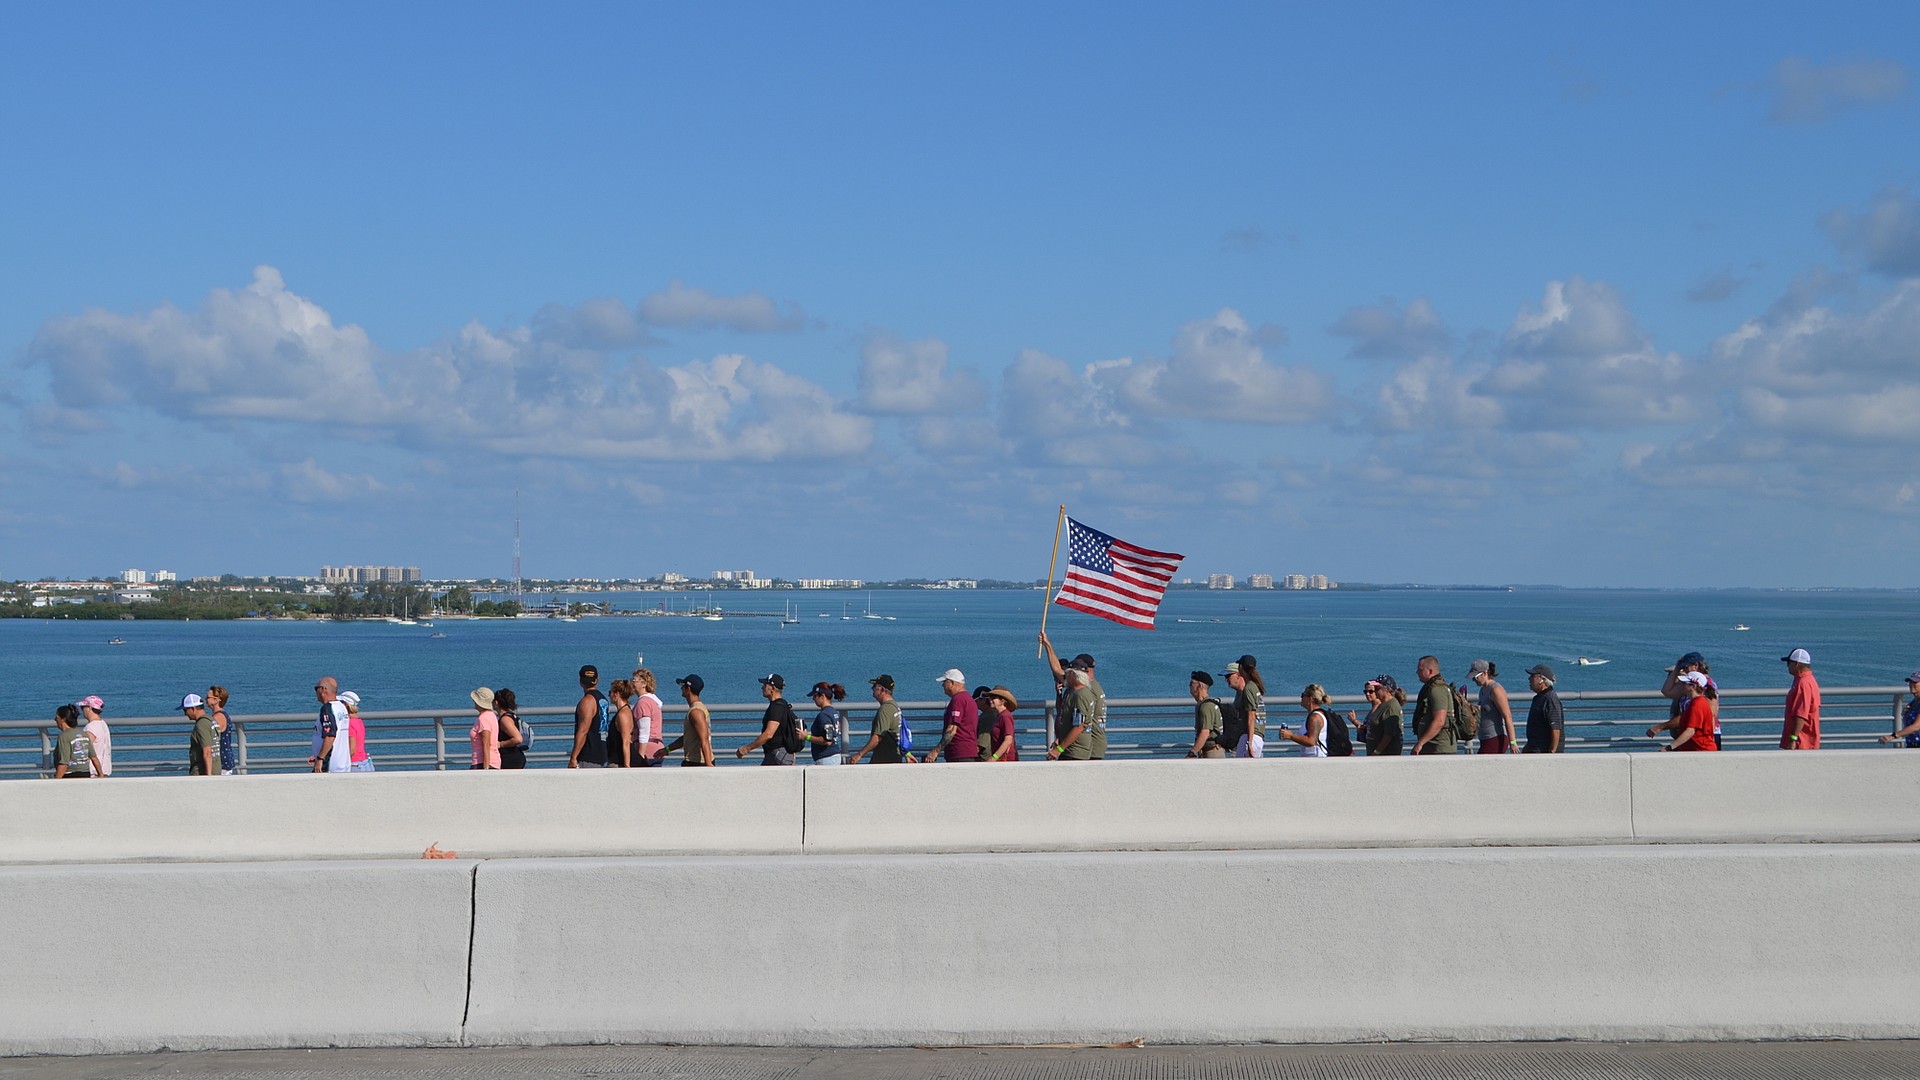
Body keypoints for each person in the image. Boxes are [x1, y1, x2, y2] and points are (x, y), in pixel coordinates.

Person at [738, 674, 800, 765]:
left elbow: (768, 734)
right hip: (777, 754)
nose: (762, 688)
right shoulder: (782, 705)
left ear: (773, 688)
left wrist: (747, 749)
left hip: (779, 755)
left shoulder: (776, 707)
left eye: (765, 685)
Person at [1048, 665, 1104, 761]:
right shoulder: (1073, 691)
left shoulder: (1081, 695)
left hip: (1075, 751)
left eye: (1068, 673)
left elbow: (1079, 726)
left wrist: (1059, 749)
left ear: (1074, 675)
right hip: (1070, 749)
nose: (1065, 676)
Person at [655, 675, 714, 766]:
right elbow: (687, 738)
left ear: (688, 689)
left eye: (683, 686)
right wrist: (666, 749)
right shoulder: (698, 709)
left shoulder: (696, 712)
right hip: (695, 761)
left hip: (697, 762)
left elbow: (704, 739)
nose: (681, 688)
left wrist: (708, 765)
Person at [925, 668, 980, 764]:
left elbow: (952, 729)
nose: (942, 685)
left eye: (944, 682)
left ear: (952, 683)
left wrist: (936, 751)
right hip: (969, 751)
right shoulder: (968, 699)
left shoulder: (958, 699)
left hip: (959, 753)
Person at [849, 675, 905, 764]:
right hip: (894, 756)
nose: (872, 688)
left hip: (884, 758)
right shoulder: (894, 706)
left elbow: (877, 737)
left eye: (874, 686)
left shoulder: (885, 709)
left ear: (882, 690)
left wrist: (859, 755)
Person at [1409, 655, 1455, 756]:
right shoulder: (1431, 688)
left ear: (1430, 671)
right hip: (1432, 747)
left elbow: (1439, 720)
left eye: (1420, 670)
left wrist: (1420, 743)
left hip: (1438, 748)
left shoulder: (1437, 689)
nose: (1417, 673)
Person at [1661, 672, 1719, 751]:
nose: (1681, 685)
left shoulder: (1697, 704)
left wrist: (1669, 747)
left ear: (1693, 686)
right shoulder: (1697, 702)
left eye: (1684, 683)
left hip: (1700, 749)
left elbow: (1690, 731)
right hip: (1697, 748)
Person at [1468, 660, 1516, 754]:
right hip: (1485, 738)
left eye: (1475, 677)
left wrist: (1513, 742)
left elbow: (1507, 716)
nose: (1474, 680)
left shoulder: (1496, 689)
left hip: (1495, 738)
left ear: (1485, 673)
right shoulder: (1483, 690)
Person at [1224, 656, 1266, 758]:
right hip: (1256, 736)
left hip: (1250, 735)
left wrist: (1249, 743)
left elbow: (1251, 717)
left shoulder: (1248, 688)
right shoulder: (1254, 686)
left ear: (1241, 668)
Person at [1780, 648, 1821, 750]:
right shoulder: (1807, 680)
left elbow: (1801, 714)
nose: (1787, 666)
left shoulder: (1803, 683)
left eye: (1789, 663)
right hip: (1804, 741)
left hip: (1802, 742)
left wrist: (1793, 739)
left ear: (1797, 664)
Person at [570, 664, 610, 769]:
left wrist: (573, 757)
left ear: (580, 681)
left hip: (589, 755)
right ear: (597, 679)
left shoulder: (587, 701)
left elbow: (583, 731)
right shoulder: (603, 699)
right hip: (602, 752)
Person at [309, 676, 352, 773]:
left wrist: (320, 759)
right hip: (343, 763)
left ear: (323, 689)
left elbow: (329, 736)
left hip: (330, 765)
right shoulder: (342, 707)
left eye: (316, 688)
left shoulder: (327, 709)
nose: (316, 692)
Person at [1355, 675, 1404, 756]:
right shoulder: (1383, 704)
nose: (1375, 691)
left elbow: (1388, 734)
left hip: (1385, 754)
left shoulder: (1391, 706)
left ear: (1387, 690)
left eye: (1377, 689)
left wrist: (1376, 752)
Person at [1276, 685, 1331, 757]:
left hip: (1316, 758)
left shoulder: (1315, 717)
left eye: (1303, 695)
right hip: (1312, 757)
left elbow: (1311, 741)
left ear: (1310, 699)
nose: (1301, 698)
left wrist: (1291, 736)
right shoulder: (1314, 715)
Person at [1522, 664, 1564, 753]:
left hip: (1543, 751)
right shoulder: (1539, 698)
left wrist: (1551, 752)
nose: (1529, 679)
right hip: (1535, 749)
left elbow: (1555, 728)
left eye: (1532, 676)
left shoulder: (1550, 699)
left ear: (1542, 679)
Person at [804, 682, 847, 765]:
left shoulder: (824, 715)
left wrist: (806, 737)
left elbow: (828, 740)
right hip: (833, 756)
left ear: (822, 696)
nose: (813, 699)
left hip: (826, 758)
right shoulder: (833, 712)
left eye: (815, 696)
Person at [1186, 671, 1226, 758]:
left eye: (1191, 683)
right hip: (1207, 751)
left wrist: (1192, 753)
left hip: (1212, 753)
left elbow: (1205, 732)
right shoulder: (1202, 705)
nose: (1189, 686)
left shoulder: (1206, 706)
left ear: (1199, 686)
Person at [53, 704, 98, 779]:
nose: (55, 720)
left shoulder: (64, 736)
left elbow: (64, 763)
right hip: (85, 774)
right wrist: (101, 774)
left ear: (63, 719)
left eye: (57, 717)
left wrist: (55, 781)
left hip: (70, 775)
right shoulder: (83, 734)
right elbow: (94, 757)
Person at [632, 668, 665, 766]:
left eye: (634, 681)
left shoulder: (643, 703)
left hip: (648, 752)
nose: (632, 684)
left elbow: (644, 731)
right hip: (657, 748)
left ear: (644, 684)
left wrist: (640, 756)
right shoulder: (653, 701)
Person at [1878, 671, 1920, 746]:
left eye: (1915, 682)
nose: (1911, 685)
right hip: (1912, 745)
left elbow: (1916, 726)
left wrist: (1893, 736)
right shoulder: (1914, 702)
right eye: (1910, 682)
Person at [184, 693, 219, 777]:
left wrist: (208, 776)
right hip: (216, 769)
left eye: (185, 710)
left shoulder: (202, 724)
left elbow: (207, 751)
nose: (185, 714)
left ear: (193, 708)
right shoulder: (211, 720)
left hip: (201, 772)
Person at [340, 690, 375, 772]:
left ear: (345, 705)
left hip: (355, 764)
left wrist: (340, 761)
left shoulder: (349, 723)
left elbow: (352, 749)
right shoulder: (358, 720)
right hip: (365, 762)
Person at [981, 686, 1020, 761]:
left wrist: (994, 757)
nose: (990, 700)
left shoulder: (1005, 716)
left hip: (1006, 760)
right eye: (990, 697)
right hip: (1001, 759)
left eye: (994, 697)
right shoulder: (1000, 715)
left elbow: (1008, 740)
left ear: (1002, 701)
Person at [77, 695, 111, 777]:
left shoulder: (90, 727)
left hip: (93, 771)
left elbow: (85, 749)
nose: (82, 710)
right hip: (104, 769)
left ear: (89, 708)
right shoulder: (103, 724)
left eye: (83, 707)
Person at [495, 688, 528, 770]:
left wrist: (500, 744)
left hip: (509, 758)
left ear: (496, 703)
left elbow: (518, 739)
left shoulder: (505, 719)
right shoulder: (511, 716)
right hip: (512, 757)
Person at [606, 679, 637, 768]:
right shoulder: (623, 712)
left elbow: (626, 741)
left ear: (616, 694)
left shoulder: (623, 714)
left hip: (619, 762)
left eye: (610, 692)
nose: (609, 695)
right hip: (615, 759)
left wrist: (627, 766)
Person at [208, 686, 238, 775]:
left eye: (208, 697)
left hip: (222, 762)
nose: (206, 700)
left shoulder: (218, 717)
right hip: (225, 760)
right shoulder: (222, 715)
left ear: (217, 700)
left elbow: (211, 737)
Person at [470, 687, 501, 770]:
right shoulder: (492, 715)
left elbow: (486, 744)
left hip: (482, 762)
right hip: (494, 761)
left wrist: (486, 768)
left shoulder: (483, 719)